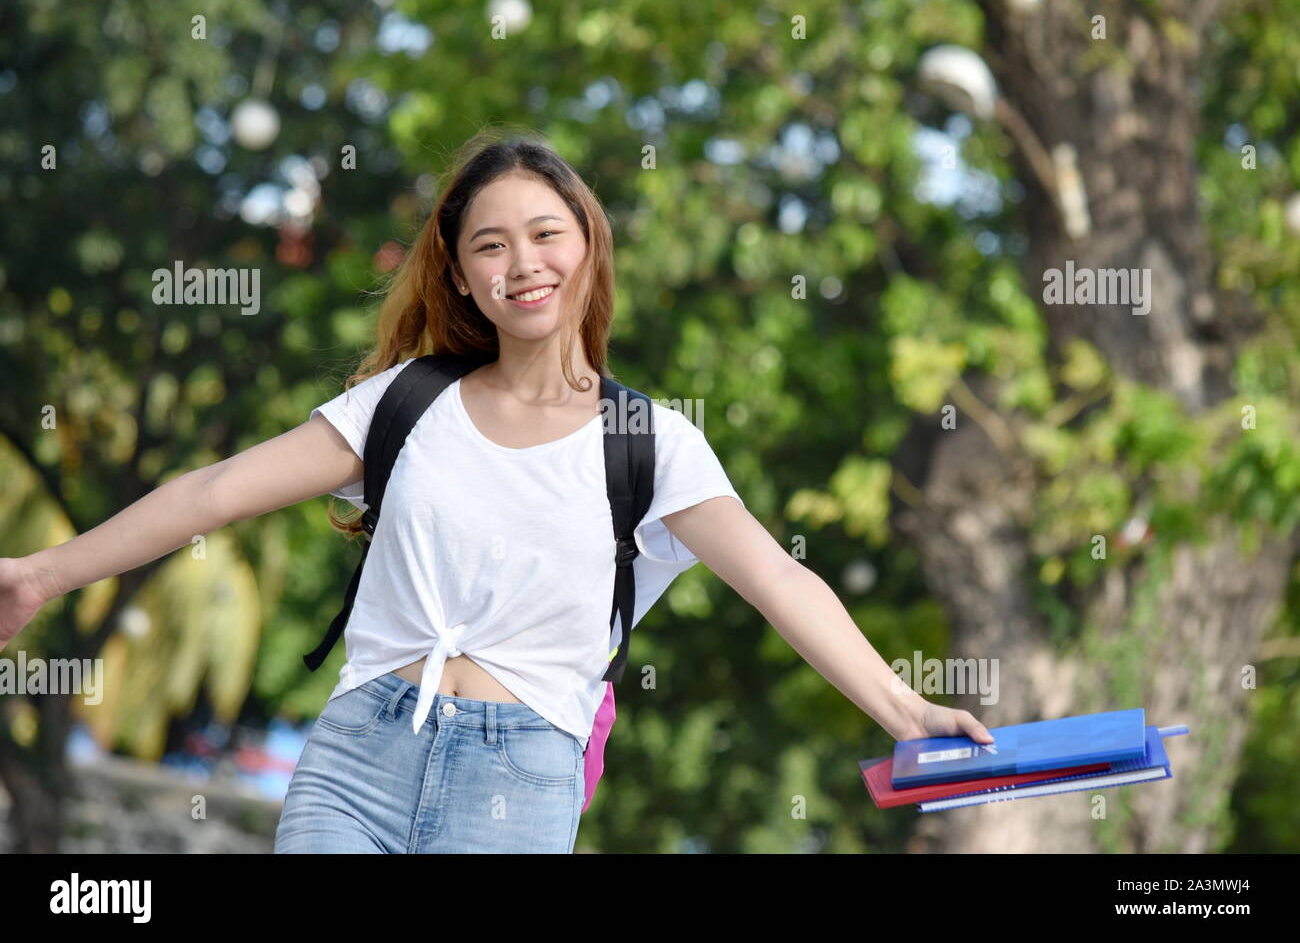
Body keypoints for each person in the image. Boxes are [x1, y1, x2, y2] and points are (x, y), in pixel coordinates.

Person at [0, 129, 992, 854]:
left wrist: (904, 707)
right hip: (358, 752)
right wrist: (43, 572)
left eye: (545, 233)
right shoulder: (406, 402)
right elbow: (212, 491)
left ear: (588, 247)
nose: (523, 263)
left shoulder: (651, 442)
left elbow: (779, 581)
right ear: (462, 276)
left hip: (517, 782)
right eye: (489, 244)